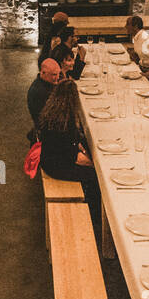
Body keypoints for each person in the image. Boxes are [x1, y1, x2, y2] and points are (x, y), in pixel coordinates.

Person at [37, 79, 99, 218]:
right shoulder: (65, 123)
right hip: (56, 168)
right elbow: (74, 158)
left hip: (48, 159)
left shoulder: (53, 112)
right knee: (95, 178)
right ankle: (94, 215)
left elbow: (72, 144)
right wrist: (96, 166)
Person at [26, 58, 61, 143]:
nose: (57, 78)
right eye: (54, 75)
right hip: (47, 135)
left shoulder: (45, 84)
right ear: (43, 73)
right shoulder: (40, 92)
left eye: (58, 74)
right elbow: (50, 120)